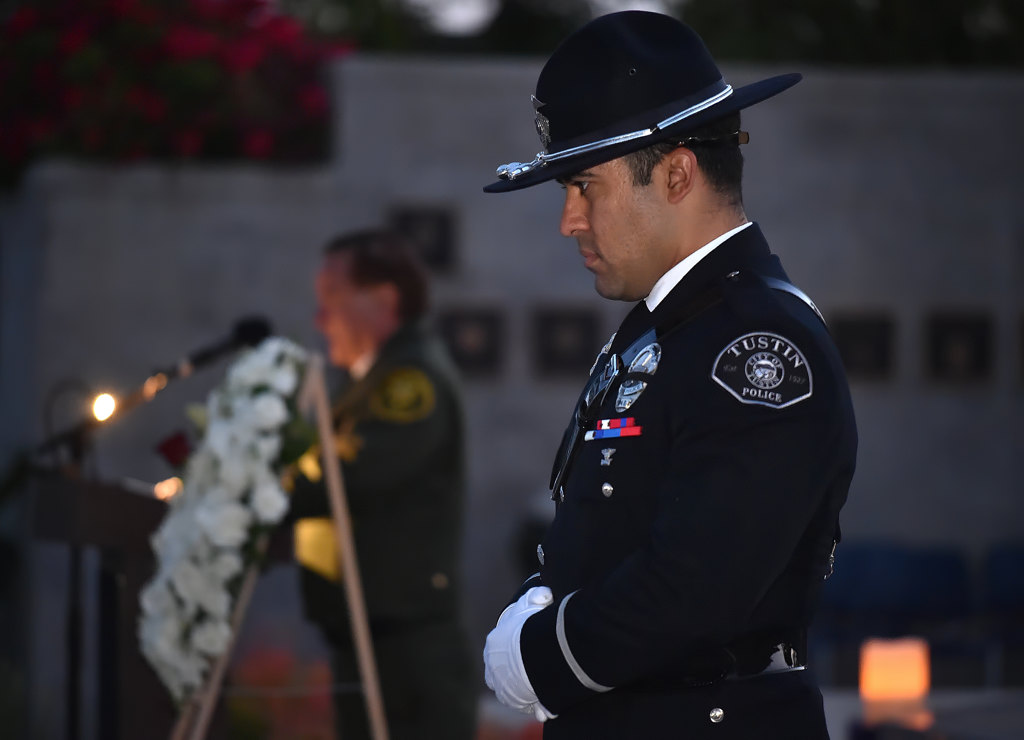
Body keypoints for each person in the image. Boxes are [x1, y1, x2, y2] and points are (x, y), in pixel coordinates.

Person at [481, 11, 857, 739]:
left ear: (678, 173)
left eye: (585, 186)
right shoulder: (669, 328)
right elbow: (605, 525)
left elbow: (697, 586)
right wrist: (540, 597)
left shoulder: (757, 343)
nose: (569, 220)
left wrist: (541, 656)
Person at [286, 229, 477, 740]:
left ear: (384, 300)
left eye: (332, 298)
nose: (319, 319)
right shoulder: (365, 381)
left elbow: (352, 478)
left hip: (406, 649)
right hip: (372, 634)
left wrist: (256, 491)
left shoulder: (407, 381)